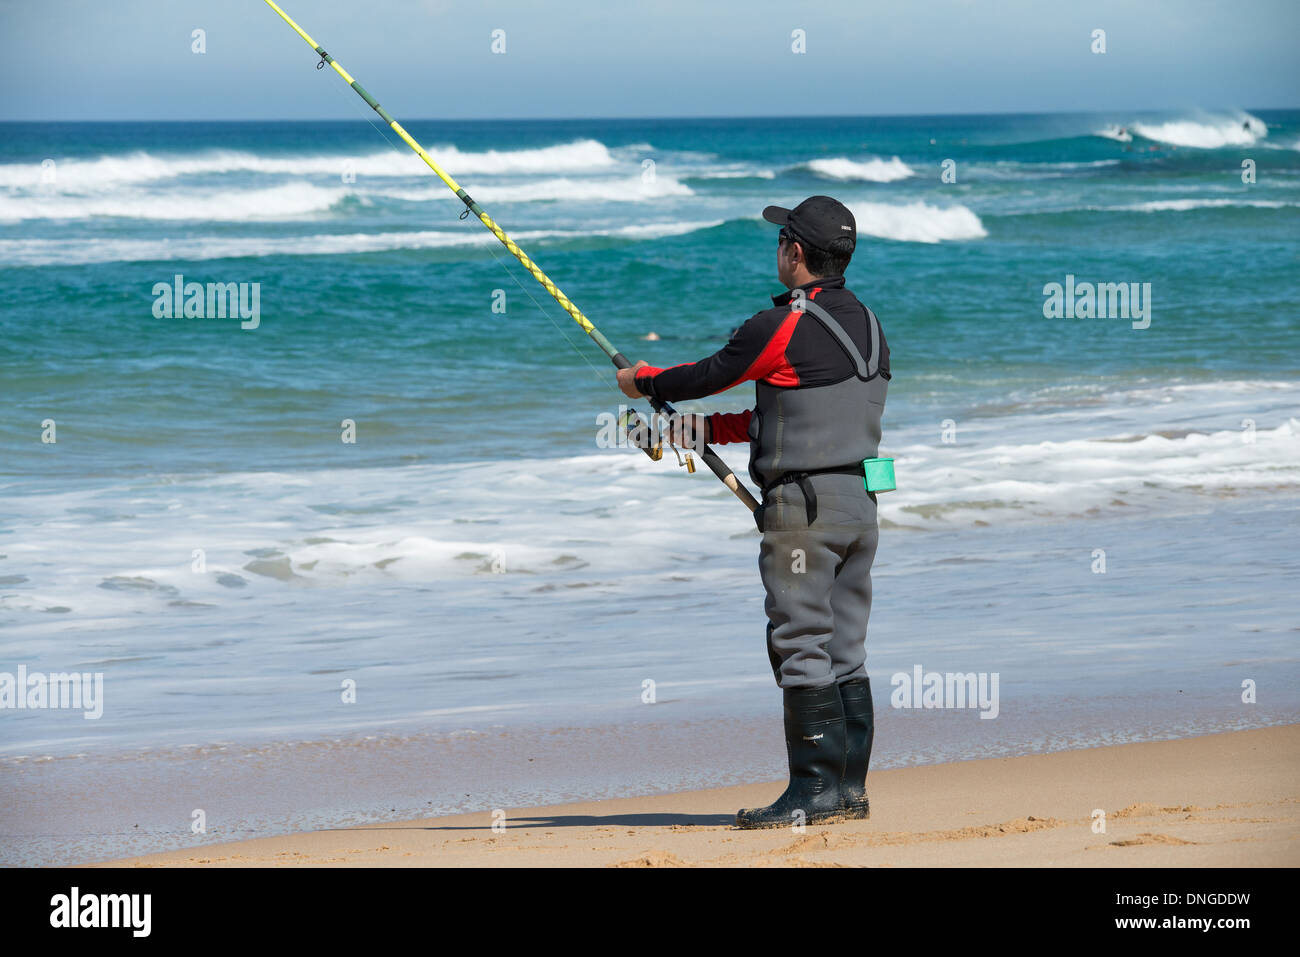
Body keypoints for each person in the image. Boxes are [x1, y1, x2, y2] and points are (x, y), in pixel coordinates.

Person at [616, 195, 891, 829]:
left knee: (799, 642)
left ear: (793, 252)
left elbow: (712, 371)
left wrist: (645, 381)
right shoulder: (872, 327)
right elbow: (791, 411)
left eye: (780, 241)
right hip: (861, 501)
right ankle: (847, 791)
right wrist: (696, 431)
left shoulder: (784, 325)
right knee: (845, 646)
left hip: (803, 510)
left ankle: (812, 790)